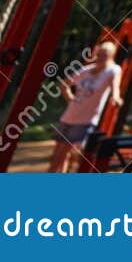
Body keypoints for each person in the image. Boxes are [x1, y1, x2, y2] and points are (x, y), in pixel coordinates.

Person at [48, 40, 122, 173]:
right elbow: (64, 85)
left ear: (111, 56)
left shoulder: (112, 70)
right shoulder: (86, 70)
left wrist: (116, 97)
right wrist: (70, 98)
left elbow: (115, 87)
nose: (100, 57)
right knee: (57, 155)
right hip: (69, 117)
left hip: (86, 120)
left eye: (104, 55)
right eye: (99, 54)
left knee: (68, 153)